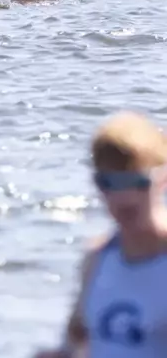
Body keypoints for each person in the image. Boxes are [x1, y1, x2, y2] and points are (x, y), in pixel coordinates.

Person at [33, 112, 167, 358]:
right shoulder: (97, 259)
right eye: (109, 183)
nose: (123, 197)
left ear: (162, 179)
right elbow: (74, 346)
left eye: (136, 182)